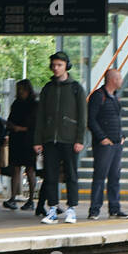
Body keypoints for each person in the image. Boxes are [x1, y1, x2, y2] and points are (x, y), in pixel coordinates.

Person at [34, 50, 86, 224]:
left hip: (70, 139)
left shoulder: (76, 88)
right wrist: (37, 140)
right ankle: (53, 209)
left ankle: (71, 208)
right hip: (50, 139)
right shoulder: (47, 89)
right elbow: (40, 115)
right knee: (50, 175)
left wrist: (80, 139)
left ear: (66, 66)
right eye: (54, 65)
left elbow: (82, 116)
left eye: (59, 65)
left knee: (71, 174)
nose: (56, 68)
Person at [87, 68, 128, 220]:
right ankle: (94, 209)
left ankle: (114, 208)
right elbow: (91, 119)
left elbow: (117, 119)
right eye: (119, 78)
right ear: (113, 80)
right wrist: (102, 138)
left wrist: (121, 136)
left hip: (117, 143)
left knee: (114, 176)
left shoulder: (115, 97)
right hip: (104, 144)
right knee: (100, 176)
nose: (121, 81)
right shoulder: (99, 97)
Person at [3, 79, 38, 210]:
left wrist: (20, 128)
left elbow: (35, 124)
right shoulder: (16, 104)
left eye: (22, 90)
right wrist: (11, 127)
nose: (20, 92)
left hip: (28, 139)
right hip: (16, 139)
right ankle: (13, 197)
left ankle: (31, 199)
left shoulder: (34, 105)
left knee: (30, 169)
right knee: (15, 168)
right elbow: (10, 119)